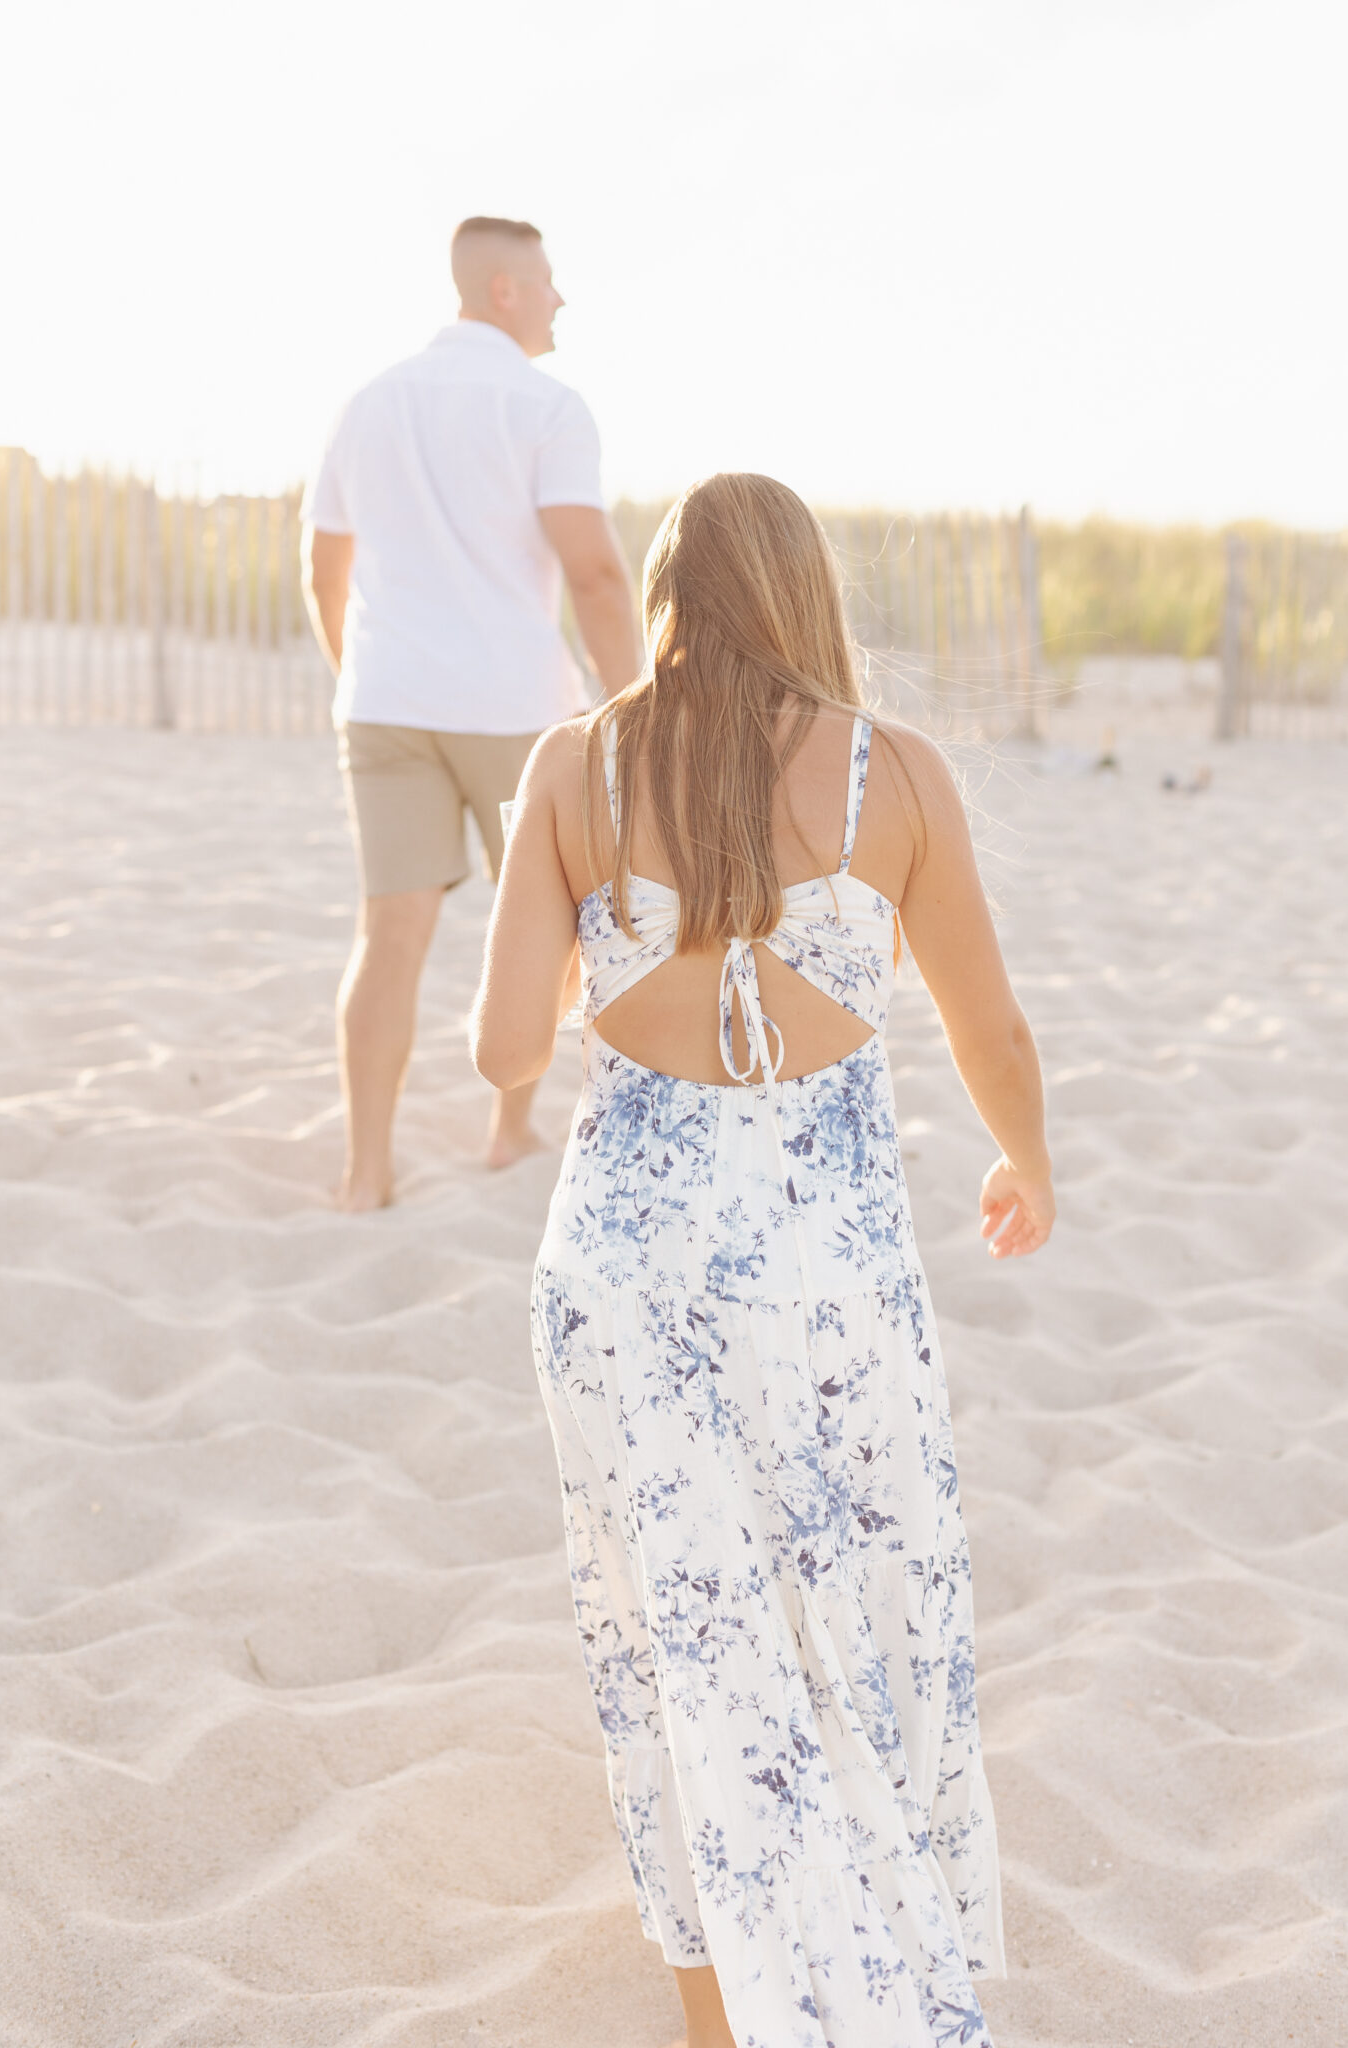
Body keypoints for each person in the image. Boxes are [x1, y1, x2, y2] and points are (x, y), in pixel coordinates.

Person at [471, 474, 1055, 2048]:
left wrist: (596, 924)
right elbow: (988, 1027)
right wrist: (1029, 1163)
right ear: (806, 595)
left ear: (664, 595)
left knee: (674, 1649)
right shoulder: (897, 778)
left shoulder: (574, 767)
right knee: (859, 1632)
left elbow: (502, 1047)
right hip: (825, 1283)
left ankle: (717, 2023)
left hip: (621, 1279)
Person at [302, 215, 638, 1206]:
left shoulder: (365, 401)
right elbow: (598, 576)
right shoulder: (546, 406)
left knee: (388, 937)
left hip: (387, 705)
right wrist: (630, 704)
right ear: (503, 290)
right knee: (549, 925)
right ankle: (509, 1130)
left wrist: (357, 674)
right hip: (515, 710)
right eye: (546, 282)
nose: (559, 299)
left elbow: (324, 567)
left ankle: (366, 1171)